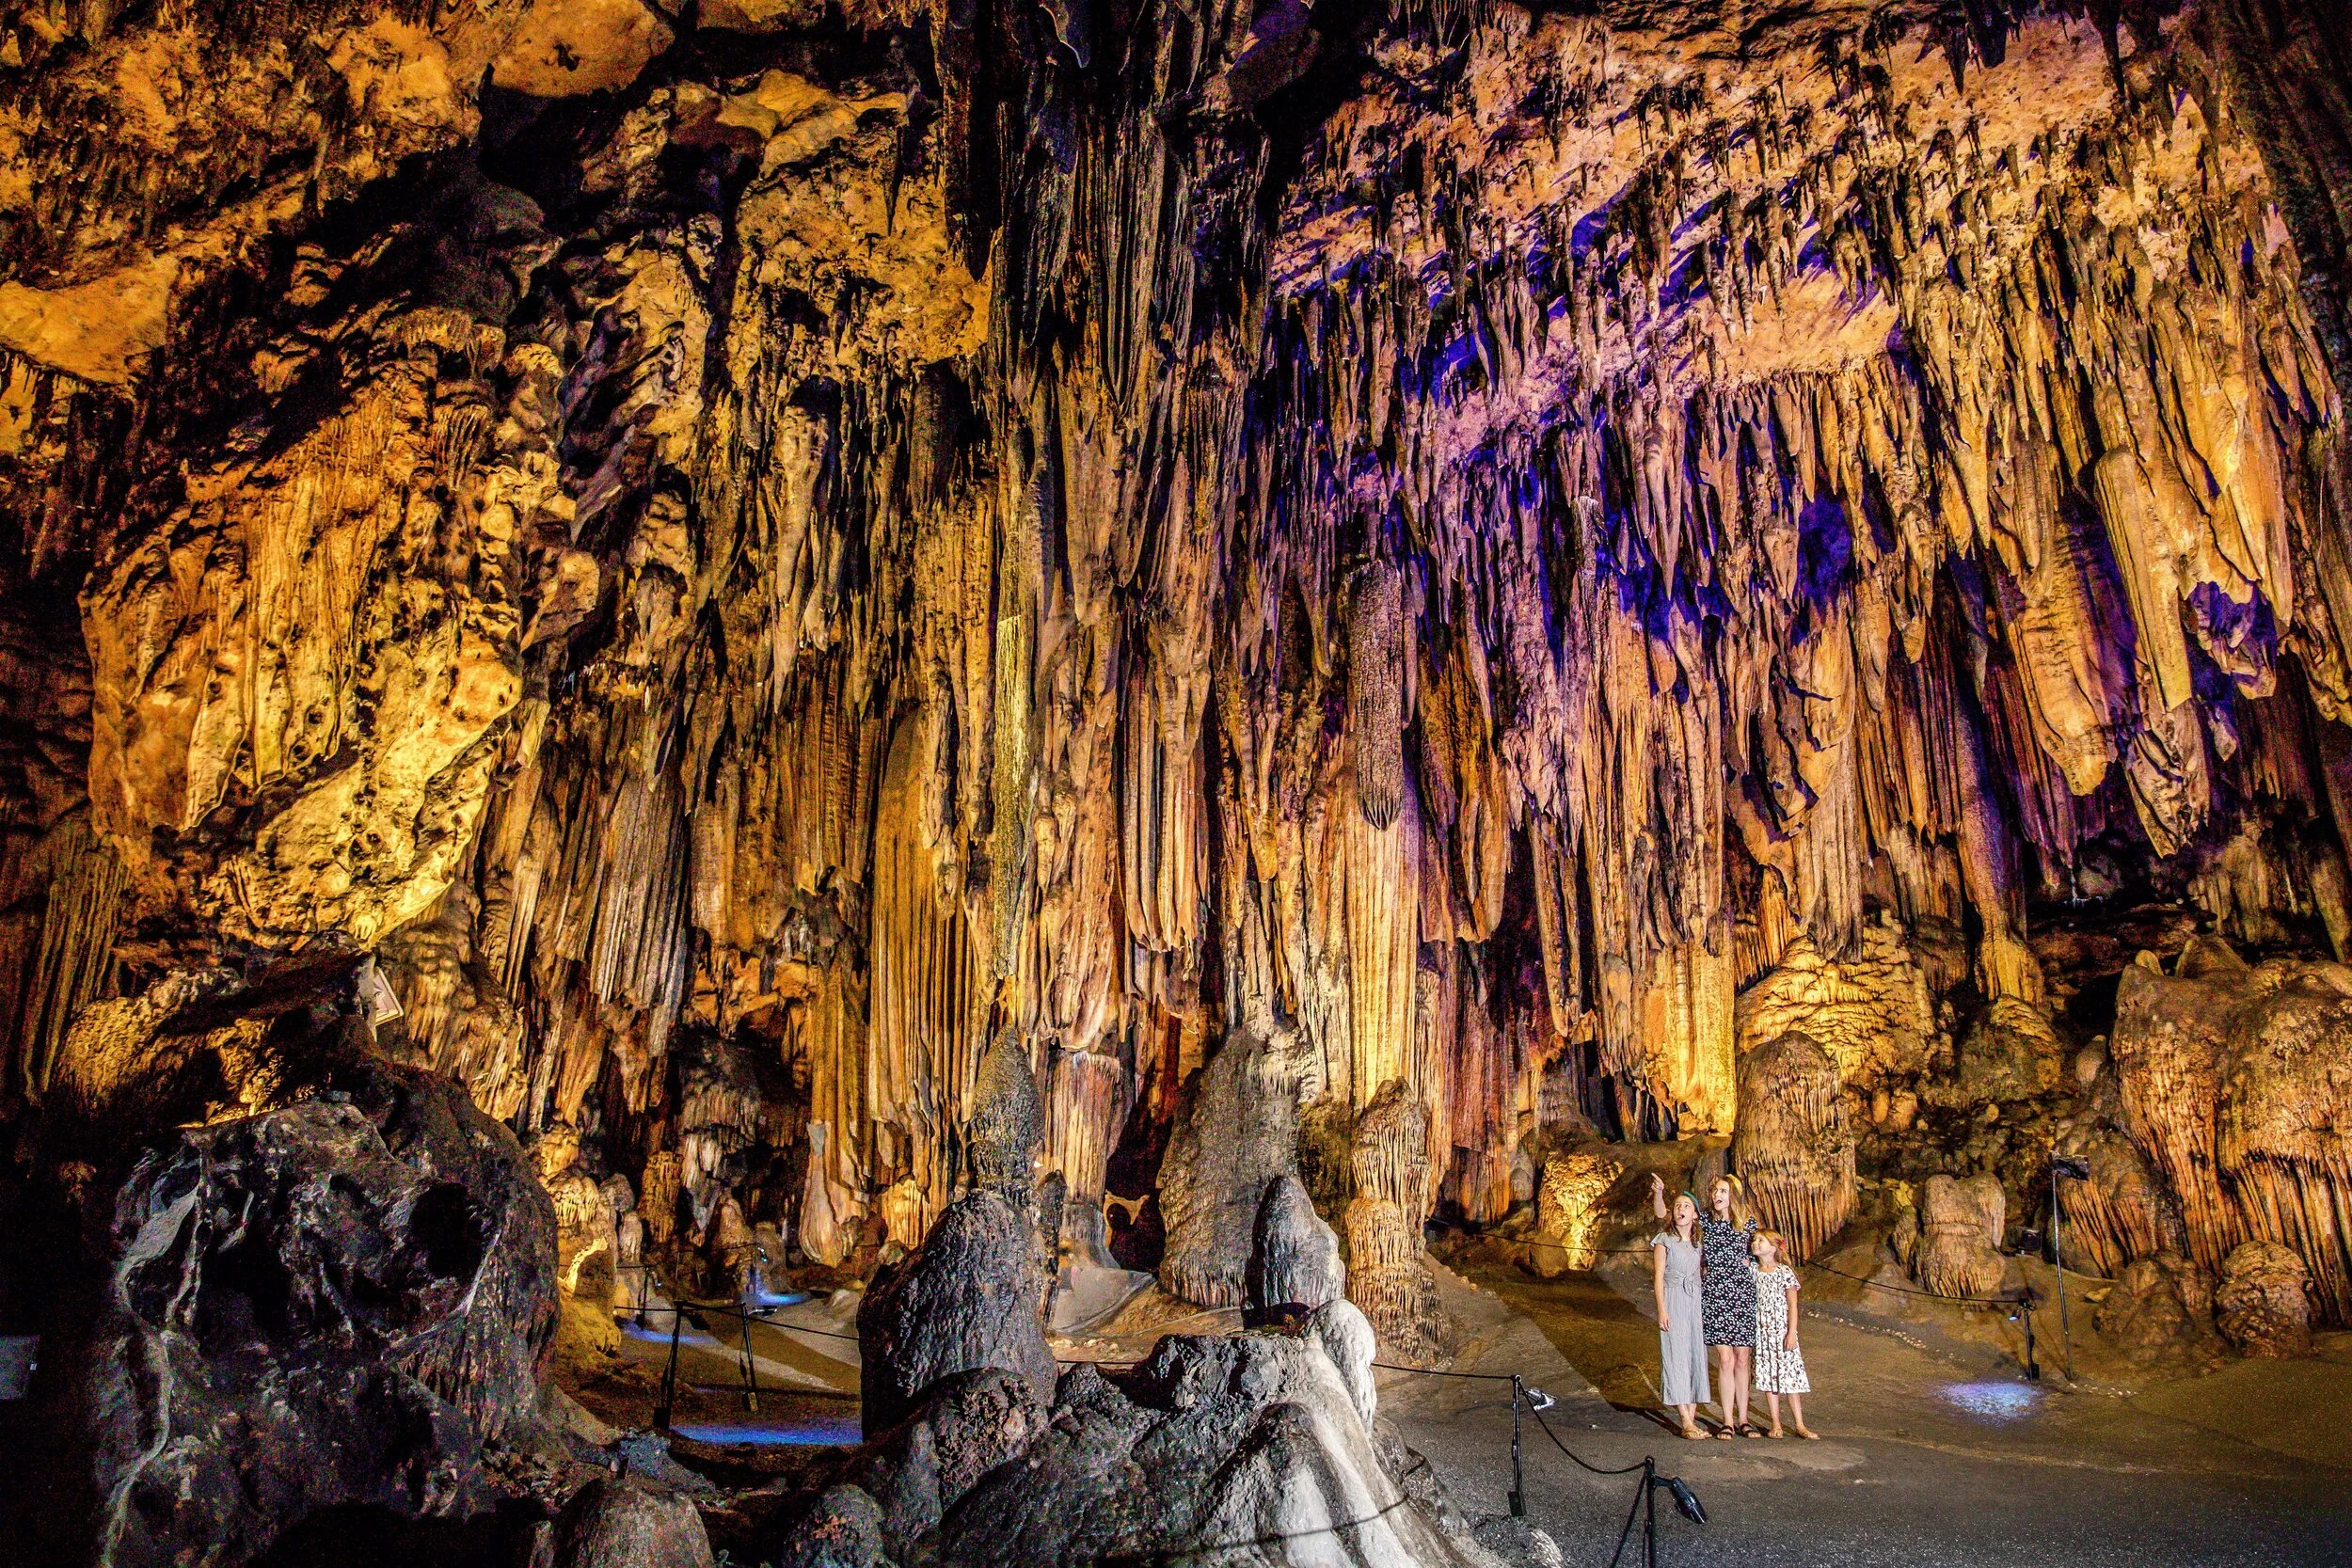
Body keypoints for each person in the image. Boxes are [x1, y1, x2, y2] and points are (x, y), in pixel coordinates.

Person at [1656, 1170, 1758, 1435]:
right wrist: (1659, 1194)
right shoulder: (1707, 1226)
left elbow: (1763, 1248)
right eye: (1715, 1192)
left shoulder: (1747, 1224)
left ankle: (1743, 1419)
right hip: (1714, 1295)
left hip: (1741, 1294)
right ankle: (1726, 1421)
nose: (1717, 1196)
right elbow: (1670, 1219)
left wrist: (1753, 1263)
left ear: (1733, 1196)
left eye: (1723, 1191)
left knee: (1742, 1358)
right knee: (1724, 1359)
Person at [1651, 1189, 1710, 1440]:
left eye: (1686, 1206)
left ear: (1695, 1215)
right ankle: (1685, 1422)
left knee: (1695, 1355)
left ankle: (1692, 1421)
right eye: (1677, 1206)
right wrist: (1662, 1308)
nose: (1680, 1209)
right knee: (1675, 1357)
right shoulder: (1664, 1239)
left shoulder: (1698, 1243)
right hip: (1674, 1298)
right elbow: (1658, 1277)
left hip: (1694, 1301)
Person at [1750, 1230, 1817, 1438]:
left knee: (1790, 1379)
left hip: (1782, 1332)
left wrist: (1792, 1332)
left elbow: (1792, 1306)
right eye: (1754, 1240)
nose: (1755, 1243)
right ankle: (1776, 1423)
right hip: (1763, 1334)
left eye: (1761, 1240)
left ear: (1774, 1246)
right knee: (1769, 1378)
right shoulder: (1753, 1271)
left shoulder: (1785, 1272)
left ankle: (1799, 1424)